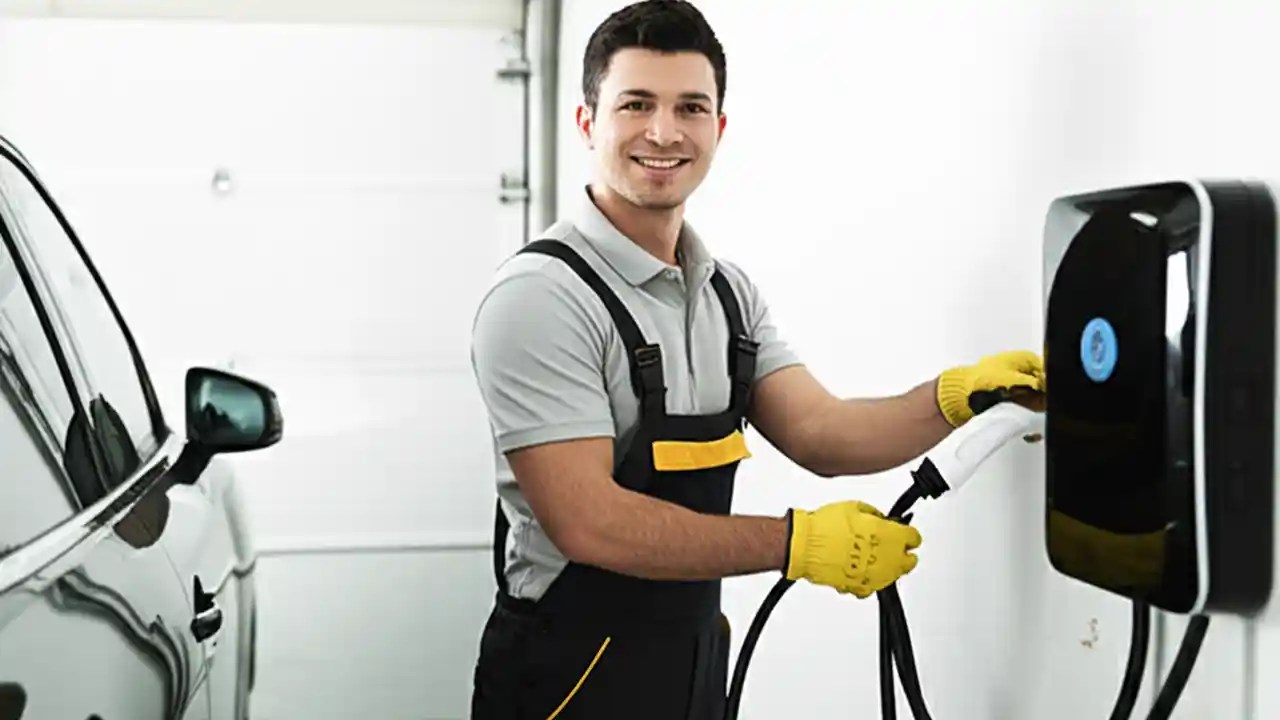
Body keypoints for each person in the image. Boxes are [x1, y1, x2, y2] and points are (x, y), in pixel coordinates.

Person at [467, 1, 1045, 718]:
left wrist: (955, 397)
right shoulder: (542, 297)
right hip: (566, 682)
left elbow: (823, 434)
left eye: (690, 107)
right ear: (588, 122)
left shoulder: (727, 295)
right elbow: (591, 522)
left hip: (690, 670)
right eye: (636, 104)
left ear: (719, 128)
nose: (663, 132)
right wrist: (796, 543)